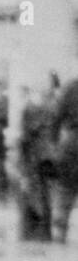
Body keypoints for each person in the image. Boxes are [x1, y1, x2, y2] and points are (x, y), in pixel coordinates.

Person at [17, 84, 55, 241]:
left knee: (33, 184)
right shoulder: (49, 109)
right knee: (46, 187)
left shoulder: (29, 110)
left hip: (34, 153)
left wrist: (22, 151)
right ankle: (45, 217)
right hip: (48, 153)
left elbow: (27, 135)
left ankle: (34, 218)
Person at [49, 76, 78, 243]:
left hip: (71, 142)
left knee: (65, 189)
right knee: (65, 188)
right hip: (72, 141)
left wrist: (53, 145)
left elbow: (55, 118)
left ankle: (60, 233)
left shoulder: (70, 88)